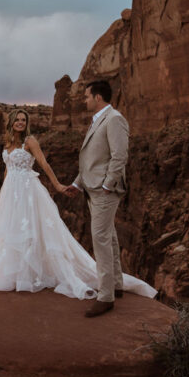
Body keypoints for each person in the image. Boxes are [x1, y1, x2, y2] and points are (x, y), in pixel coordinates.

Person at [0, 106, 156, 307]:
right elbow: (7, 170)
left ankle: (35, 275)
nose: (20, 123)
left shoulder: (30, 141)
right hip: (11, 192)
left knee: (32, 231)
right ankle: (17, 275)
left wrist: (58, 186)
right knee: (12, 232)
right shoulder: (9, 143)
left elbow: (44, 165)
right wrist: (4, 194)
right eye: (17, 120)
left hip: (28, 190)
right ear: (11, 123)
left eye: (23, 120)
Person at [63, 80, 150, 317]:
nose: (85, 100)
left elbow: (119, 156)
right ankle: (117, 285)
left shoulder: (114, 119)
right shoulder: (98, 120)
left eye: (87, 96)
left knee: (100, 238)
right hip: (92, 187)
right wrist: (77, 184)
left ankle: (106, 297)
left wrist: (107, 185)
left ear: (98, 97)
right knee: (109, 236)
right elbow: (93, 159)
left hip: (104, 191)